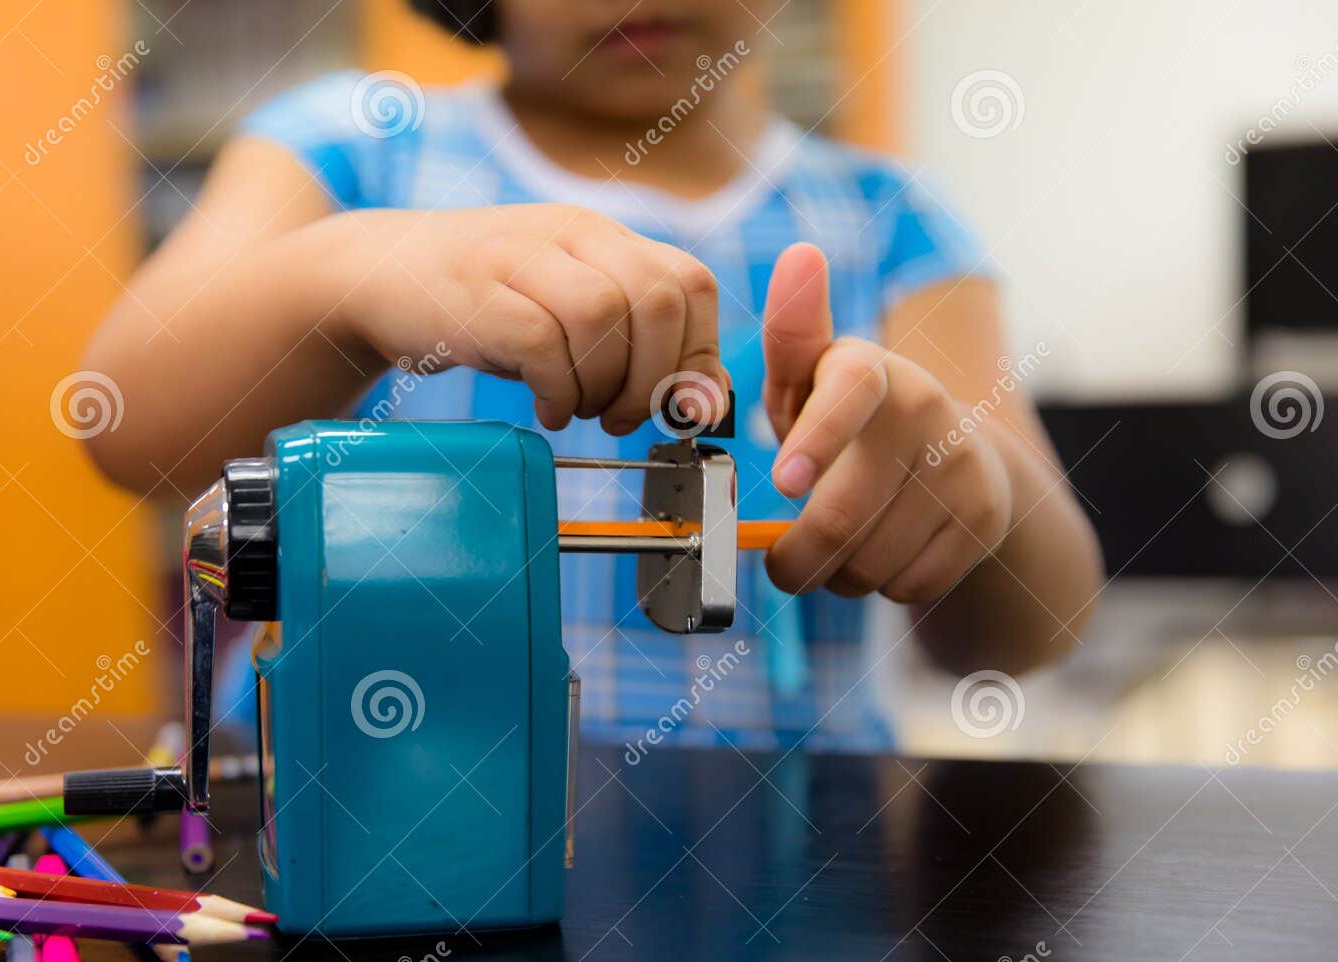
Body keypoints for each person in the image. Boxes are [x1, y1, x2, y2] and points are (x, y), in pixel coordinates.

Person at [82, 0, 1103, 750]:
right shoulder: (353, 150)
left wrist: (977, 497)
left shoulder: (893, 217)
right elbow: (130, 428)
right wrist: (353, 271)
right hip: (364, 821)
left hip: (790, 875)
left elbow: (1028, 635)